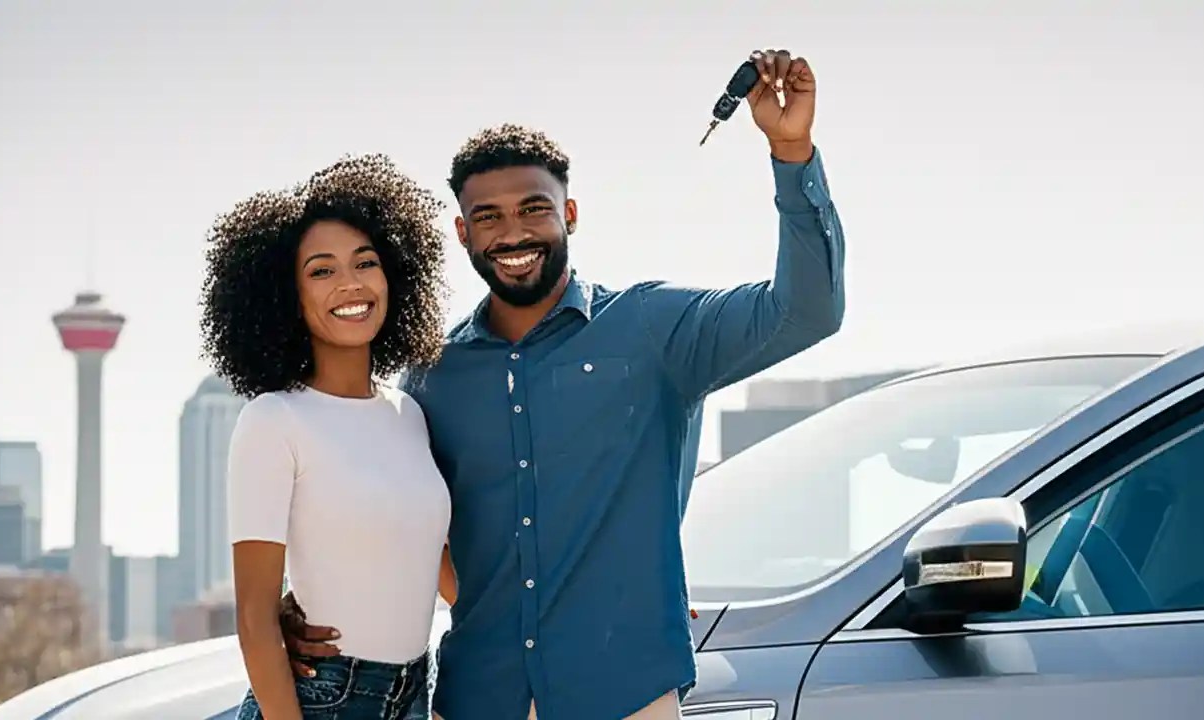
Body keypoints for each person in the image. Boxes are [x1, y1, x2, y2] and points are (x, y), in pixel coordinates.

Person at [281, 48, 847, 720]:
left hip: (626, 694)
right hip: (477, 699)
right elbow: (389, 518)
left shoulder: (651, 330)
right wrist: (303, 604)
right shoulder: (432, 377)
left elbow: (807, 311)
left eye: (533, 209)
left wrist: (791, 150)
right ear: (462, 232)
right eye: (487, 217)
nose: (512, 232)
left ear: (570, 213)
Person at [200, 153, 458, 719]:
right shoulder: (273, 421)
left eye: (365, 262)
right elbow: (255, 618)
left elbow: (442, 573)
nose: (350, 284)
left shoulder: (410, 413)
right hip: (324, 698)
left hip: (415, 693)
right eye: (321, 271)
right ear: (286, 297)